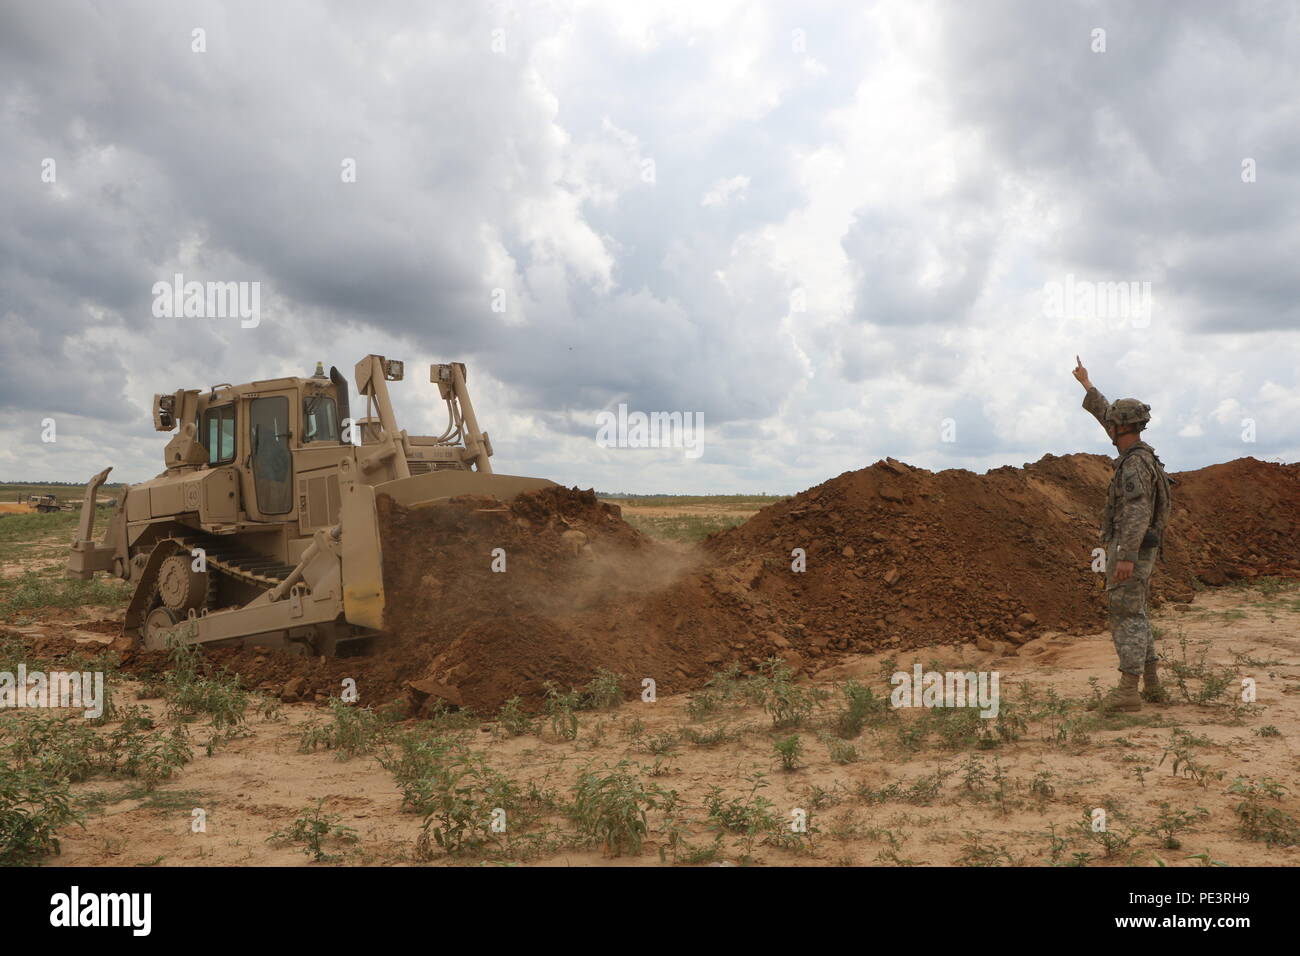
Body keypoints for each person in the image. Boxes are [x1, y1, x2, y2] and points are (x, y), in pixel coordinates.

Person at [1072, 357, 1173, 712]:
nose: (1107, 426)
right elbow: (1107, 415)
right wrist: (1087, 385)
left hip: (1133, 549)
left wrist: (1126, 557)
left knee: (1125, 615)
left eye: (1111, 423)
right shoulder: (1141, 455)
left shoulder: (1133, 465)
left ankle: (1128, 693)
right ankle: (1153, 685)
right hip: (1142, 549)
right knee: (1138, 612)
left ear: (1120, 428)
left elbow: (1137, 512)